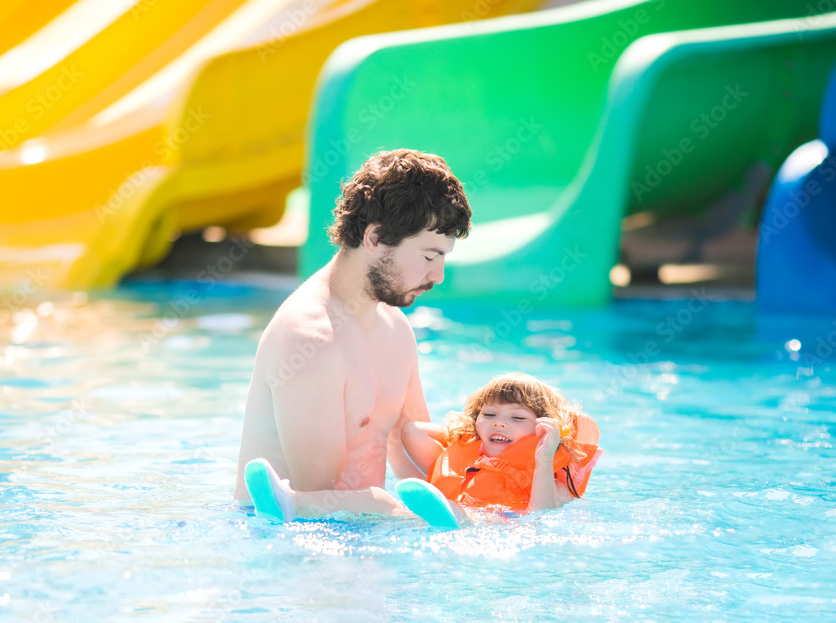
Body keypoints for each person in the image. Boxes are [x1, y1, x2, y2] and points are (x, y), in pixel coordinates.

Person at [234, 148, 472, 521]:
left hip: (359, 539)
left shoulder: (395, 328)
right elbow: (317, 505)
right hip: (286, 542)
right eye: (429, 256)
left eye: (444, 257)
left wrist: (491, 472)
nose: (438, 275)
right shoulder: (310, 339)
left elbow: (413, 449)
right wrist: (391, 510)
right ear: (375, 238)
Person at [394, 372, 602, 529]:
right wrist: (470, 432)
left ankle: (454, 516)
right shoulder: (466, 454)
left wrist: (545, 458)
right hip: (450, 513)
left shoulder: (554, 478)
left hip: (499, 528)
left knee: (483, 518)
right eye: (489, 414)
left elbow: (543, 514)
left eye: (518, 417)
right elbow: (414, 431)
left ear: (541, 429)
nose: (499, 424)